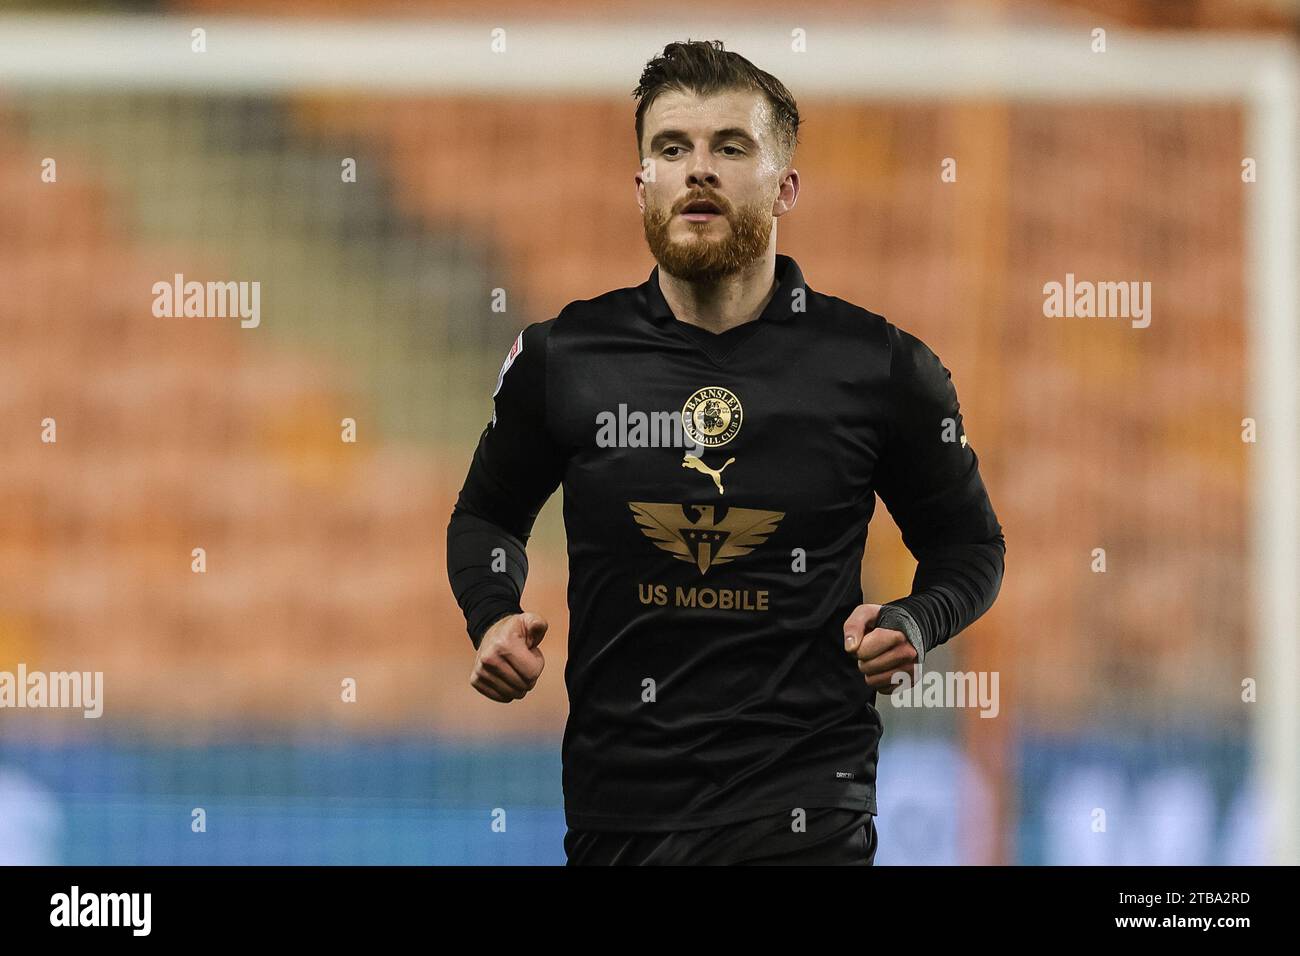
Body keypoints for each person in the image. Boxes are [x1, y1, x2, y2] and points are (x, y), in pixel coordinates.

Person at [446, 39, 1005, 865]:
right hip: (620, 819)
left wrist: (916, 621)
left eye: (729, 147)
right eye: (672, 149)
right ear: (642, 183)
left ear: (786, 187)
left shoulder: (879, 367)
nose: (696, 169)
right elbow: (487, 514)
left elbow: (969, 545)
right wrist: (492, 614)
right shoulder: (565, 359)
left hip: (806, 811)